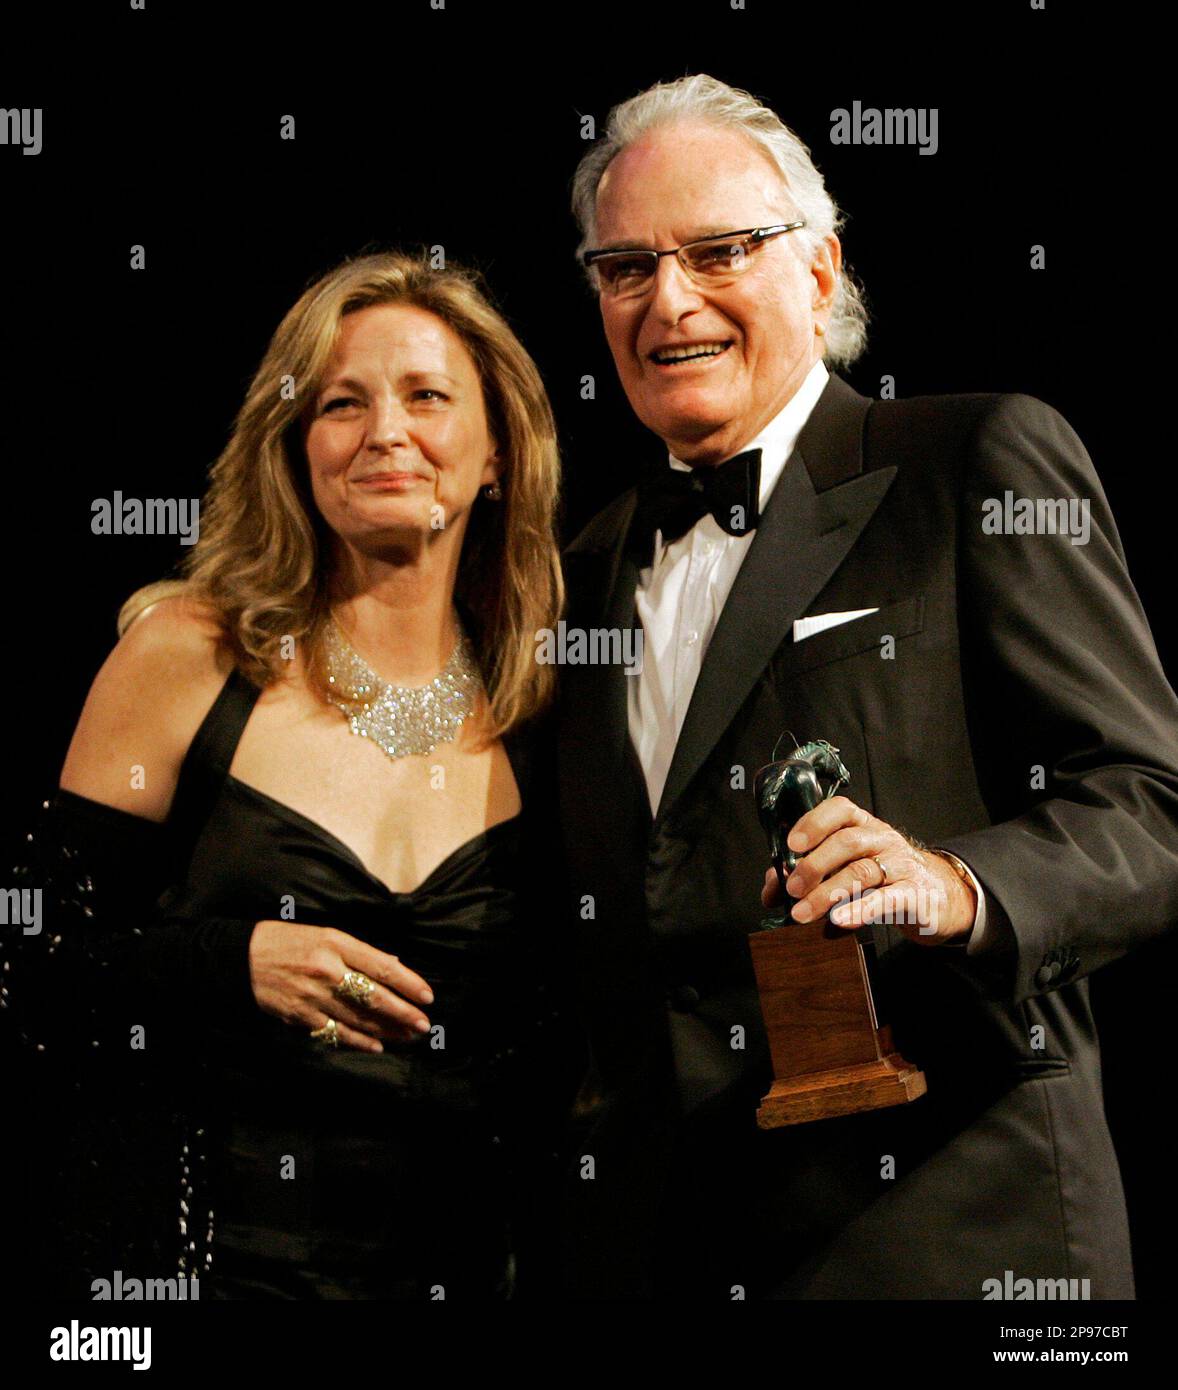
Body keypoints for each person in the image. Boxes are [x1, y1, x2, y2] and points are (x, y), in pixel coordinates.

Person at [555, 73, 1178, 1299]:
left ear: (821, 269)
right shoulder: (575, 575)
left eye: (719, 250)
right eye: (624, 267)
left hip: (953, 1232)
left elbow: (1148, 807)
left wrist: (955, 884)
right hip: (672, 1248)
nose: (667, 298)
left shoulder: (970, 457)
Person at [3, 250, 574, 1299]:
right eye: (339, 404)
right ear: (295, 446)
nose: (384, 433)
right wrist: (228, 962)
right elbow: (23, 967)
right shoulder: (187, 653)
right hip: (197, 1271)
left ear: (495, 453)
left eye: (426, 397)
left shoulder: (549, 707)